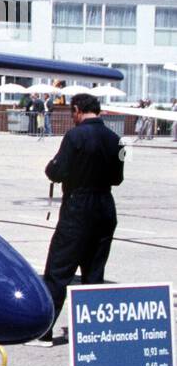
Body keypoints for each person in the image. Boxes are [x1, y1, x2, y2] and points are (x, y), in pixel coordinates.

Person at [30, 93, 125, 346]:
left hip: (78, 206)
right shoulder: (116, 139)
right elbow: (117, 179)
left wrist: (51, 167)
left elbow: (57, 171)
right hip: (105, 206)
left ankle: (44, 331)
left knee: (59, 271)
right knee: (94, 272)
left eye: (72, 113)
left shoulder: (75, 136)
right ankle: (91, 333)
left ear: (77, 110)